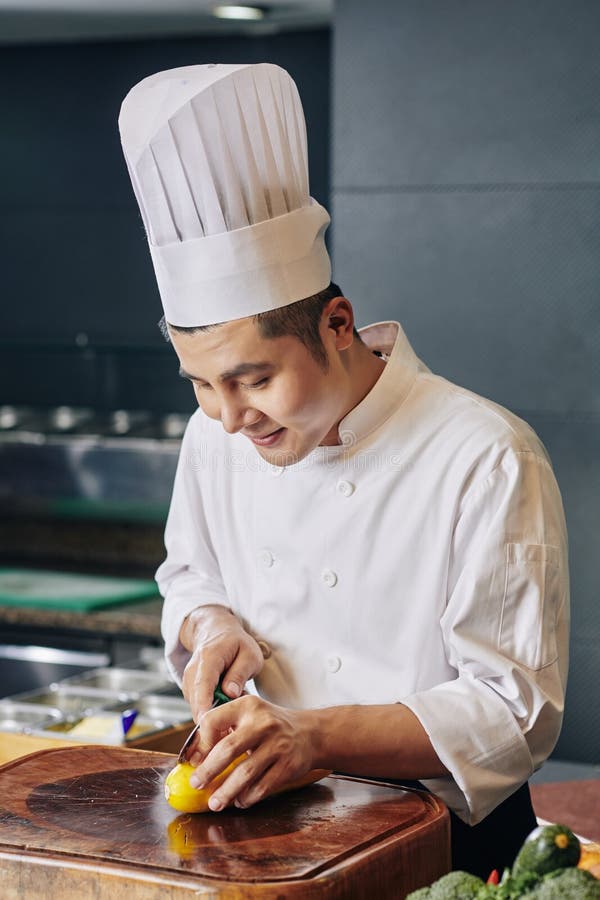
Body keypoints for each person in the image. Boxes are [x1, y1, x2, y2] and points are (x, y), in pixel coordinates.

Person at [119, 63, 569, 878]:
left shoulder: (485, 454)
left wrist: (315, 737)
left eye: (254, 378)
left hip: (447, 852)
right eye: (199, 381)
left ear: (337, 323)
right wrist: (209, 625)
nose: (228, 414)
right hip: (269, 838)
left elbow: (514, 713)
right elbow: (188, 574)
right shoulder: (212, 436)